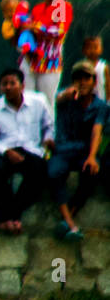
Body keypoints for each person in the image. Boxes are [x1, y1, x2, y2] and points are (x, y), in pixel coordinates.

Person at [0, 67, 55, 235]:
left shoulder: (39, 102)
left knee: (40, 171)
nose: (8, 87)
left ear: (22, 86)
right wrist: (6, 151)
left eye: (12, 83)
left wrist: (48, 140)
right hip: (4, 150)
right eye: (4, 84)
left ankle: (13, 214)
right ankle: (8, 218)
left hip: (30, 149)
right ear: (0, 88)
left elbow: (49, 126)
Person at [48, 60, 106, 240]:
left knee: (92, 172)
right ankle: (69, 222)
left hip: (83, 150)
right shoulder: (65, 99)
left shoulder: (100, 106)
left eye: (87, 78)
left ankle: (68, 217)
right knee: (53, 173)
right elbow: (54, 101)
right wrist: (63, 97)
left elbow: (97, 130)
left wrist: (92, 156)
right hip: (64, 149)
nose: (82, 82)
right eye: (78, 78)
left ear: (94, 82)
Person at [23, 0, 72, 109]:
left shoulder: (61, 6)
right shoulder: (38, 8)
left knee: (46, 102)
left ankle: (49, 130)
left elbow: (59, 32)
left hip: (50, 60)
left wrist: (37, 27)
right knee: (27, 100)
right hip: (31, 58)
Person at [82, 35, 106, 101]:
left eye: (95, 47)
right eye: (89, 48)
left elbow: (108, 86)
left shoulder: (103, 67)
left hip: (101, 101)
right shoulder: (81, 67)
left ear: (101, 49)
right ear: (83, 50)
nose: (92, 51)